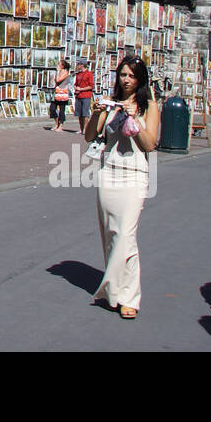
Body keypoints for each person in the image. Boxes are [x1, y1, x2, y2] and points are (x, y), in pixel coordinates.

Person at [83, 55, 161, 319]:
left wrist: (135, 120)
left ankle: (129, 297)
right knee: (110, 234)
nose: (126, 80)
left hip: (134, 174)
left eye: (131, 76)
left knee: (126, 236)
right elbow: (90, 136)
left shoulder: (148, 106)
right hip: (109, 172)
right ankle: (116, 291)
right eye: (122, 74)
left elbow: (150, 144)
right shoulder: (112, 104)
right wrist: (96, 113)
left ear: (140, 79)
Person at [73, 61, 95, 134]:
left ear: (82, 65)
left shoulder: (89, 74)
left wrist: (81, 89)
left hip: (86, 96)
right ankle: (81, 129)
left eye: (79, 64)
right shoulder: (78, 74)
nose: (77, 66)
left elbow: (91, 86)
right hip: (78, 96)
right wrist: (76, 88)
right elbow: (75, 84)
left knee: (85, 114)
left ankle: (86, 129)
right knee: (79, 114)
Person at [51, 59, 72, 131]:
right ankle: (57, 123)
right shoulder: (59, 72)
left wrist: (58, 71)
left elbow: (58, 80)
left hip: (62, 92)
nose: (57, 65)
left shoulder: (65, 72)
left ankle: (61, 125)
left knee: (61, 109)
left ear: (62, 66)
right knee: (52, 108)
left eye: (59, 64)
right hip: (56, 92)